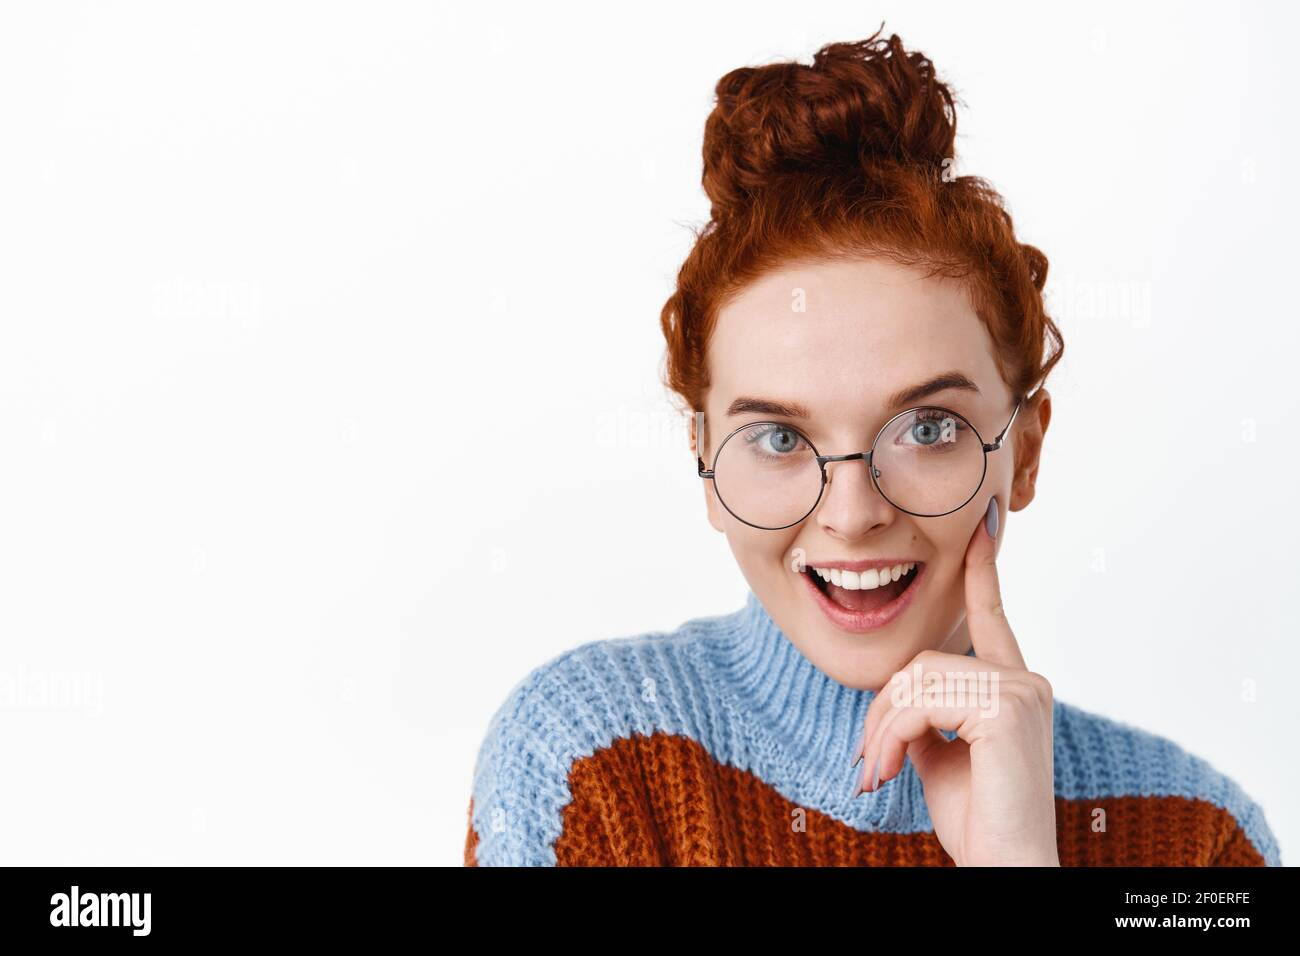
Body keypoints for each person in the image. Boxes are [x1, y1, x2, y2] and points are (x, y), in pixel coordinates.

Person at [462, 27, 1280, 866]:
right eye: (778, 438)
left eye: (927, 430)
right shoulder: (588, 760)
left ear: (1025, 452)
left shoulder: (1200, 840)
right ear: (704, 461)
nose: (853, 516)